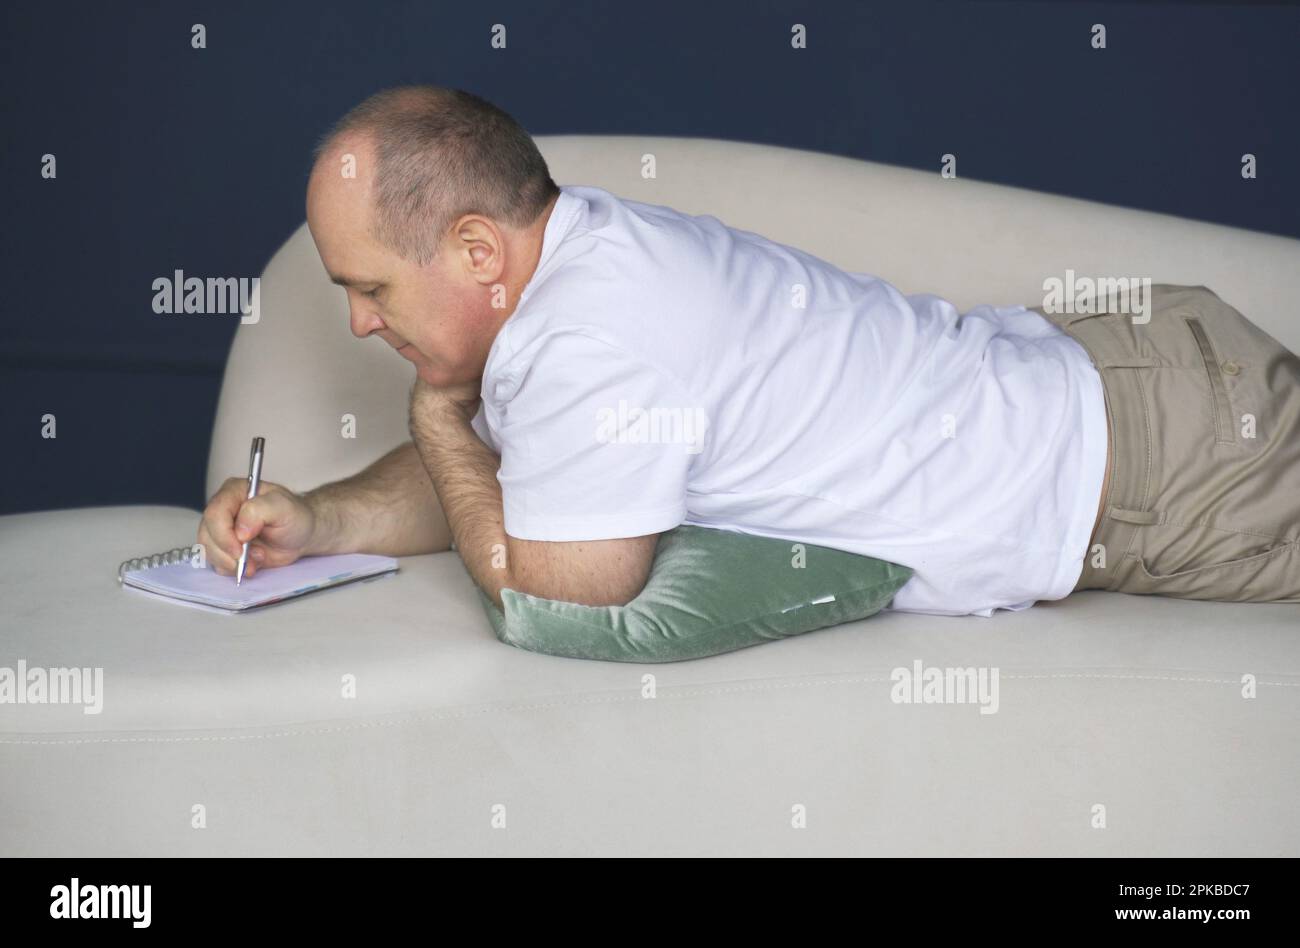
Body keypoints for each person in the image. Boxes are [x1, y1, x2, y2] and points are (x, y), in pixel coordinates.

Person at [198, 85, 1300, 616]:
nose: (356, 323)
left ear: (478, 248)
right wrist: (324, 519)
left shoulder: (591, 339)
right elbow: (524, 482)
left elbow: (559, 587)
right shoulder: (577, 270)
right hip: (1136, 385)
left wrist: (436, 416)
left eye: (370, 288)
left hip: (1177, 466)